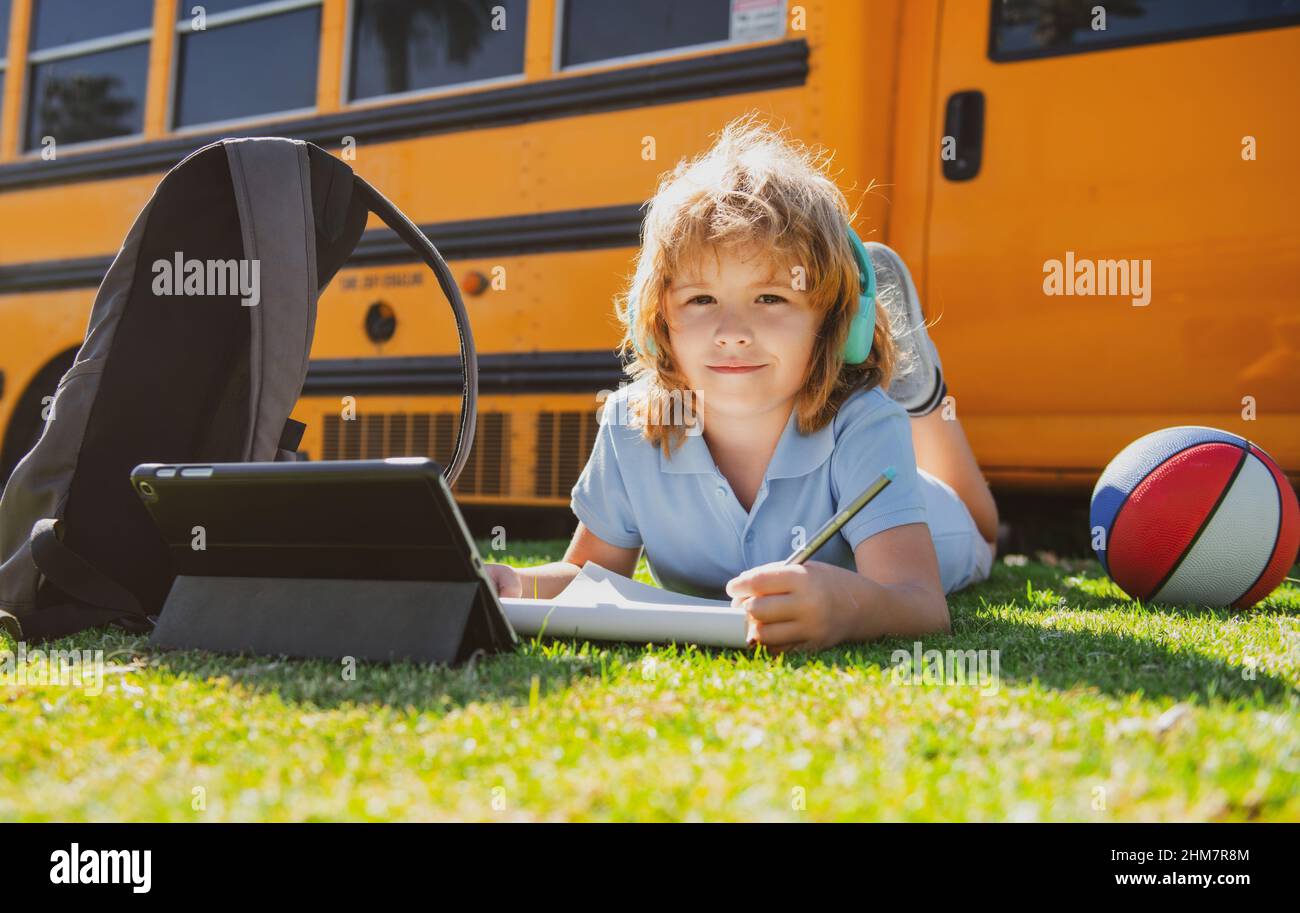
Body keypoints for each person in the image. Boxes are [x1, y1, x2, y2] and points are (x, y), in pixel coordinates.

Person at [485, 114, 998, 652]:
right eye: (701, 300)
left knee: (981, 525)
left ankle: (924, 398)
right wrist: (522, 584)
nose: (731, 334)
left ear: (837, 324)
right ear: (658, 322)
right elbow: (587, 577)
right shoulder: (629, 425)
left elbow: (918, 601)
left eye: (770, 298)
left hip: (937, 520)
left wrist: (844, 606)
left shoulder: (863, 424)